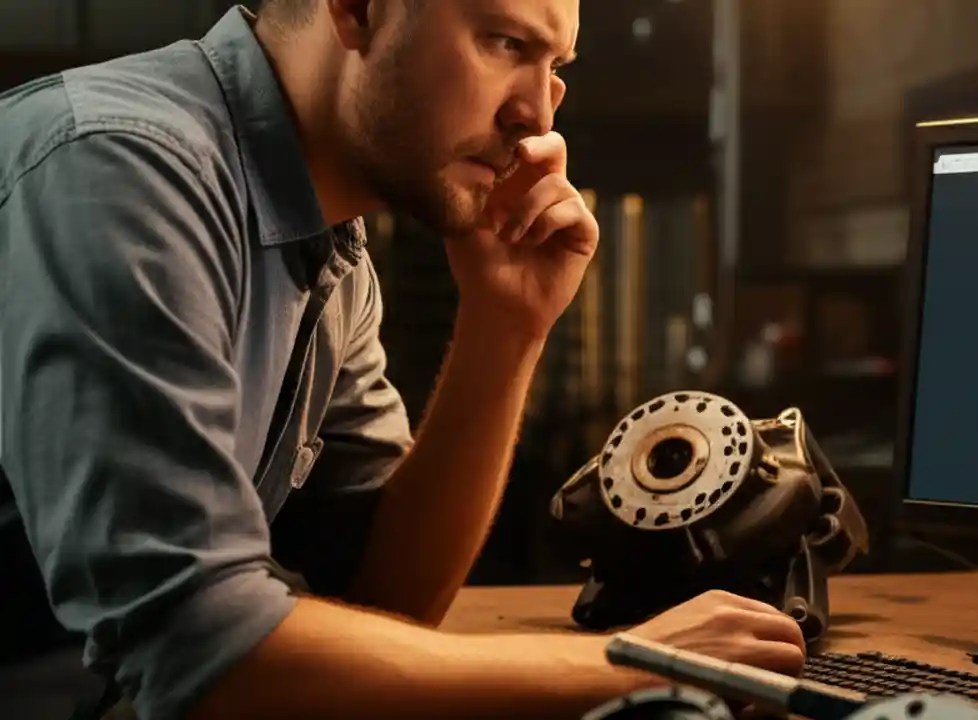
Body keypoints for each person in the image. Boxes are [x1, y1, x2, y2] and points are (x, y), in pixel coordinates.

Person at [0, 1, 807, 719]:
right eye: (501, 42)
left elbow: (384, 603)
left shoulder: (329, 245)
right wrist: (636, 667)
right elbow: (202, 654)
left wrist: (506, 325)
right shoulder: (122, 170)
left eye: (554, 67)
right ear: (356, 11)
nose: (537, 117)